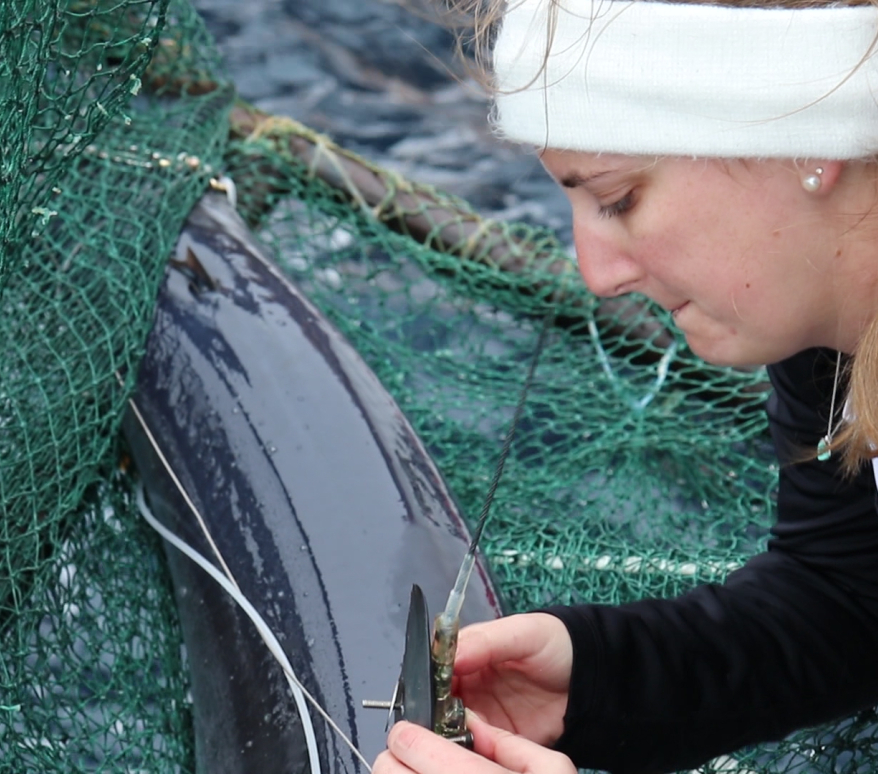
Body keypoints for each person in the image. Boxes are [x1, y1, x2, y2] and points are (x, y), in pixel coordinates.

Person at [372, 0, 878, 772]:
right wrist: (601, 679)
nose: (596, 276)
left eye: (617, 198)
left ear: (808, 138)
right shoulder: (824, 324)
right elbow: (847, 598)